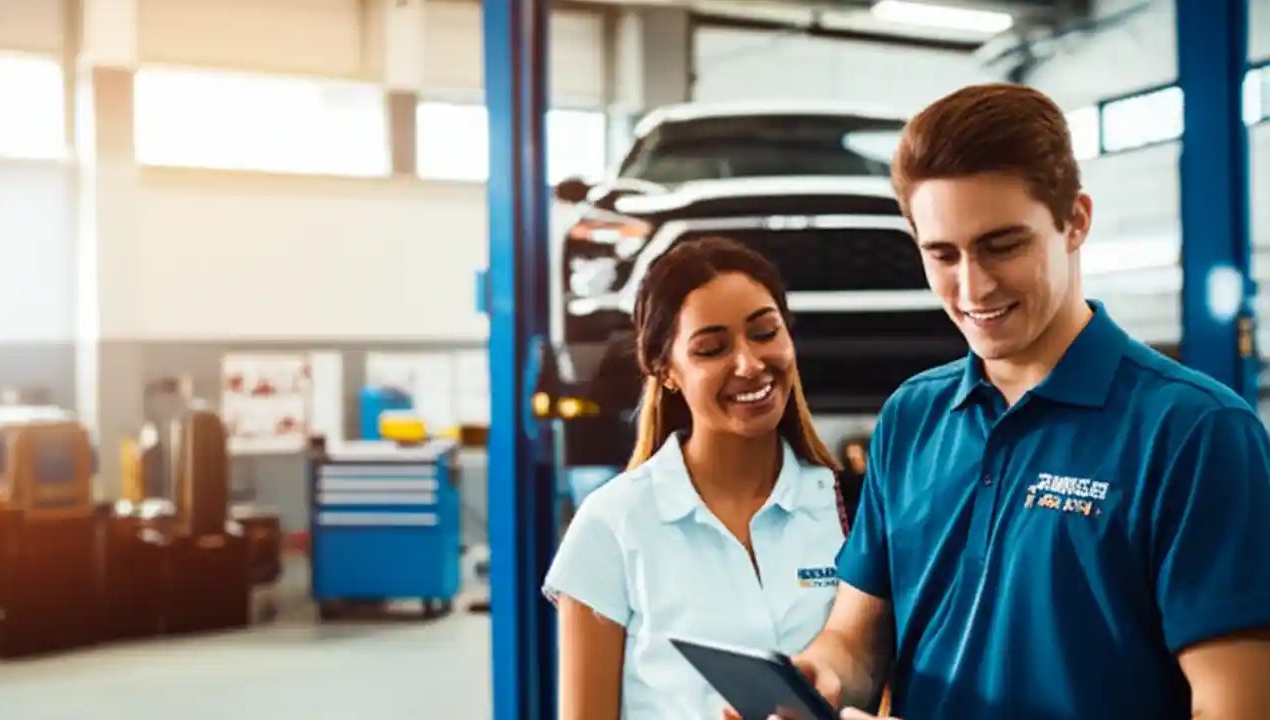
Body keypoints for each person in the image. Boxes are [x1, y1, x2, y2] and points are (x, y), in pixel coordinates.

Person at [762, 83, 1270, 719]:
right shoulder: (912, 419)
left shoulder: (1195, 433)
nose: (972, 286)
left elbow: (1237, 706)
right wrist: (818, 681)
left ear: (1076, 219)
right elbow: (858, 644)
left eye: (1002, 245)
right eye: (942, 254)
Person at [542, 236, 858, 719]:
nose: (749, 364)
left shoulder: (849, 509)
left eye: (765, 332)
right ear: (665, 369)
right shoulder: (613, 524)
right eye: (711, 349)